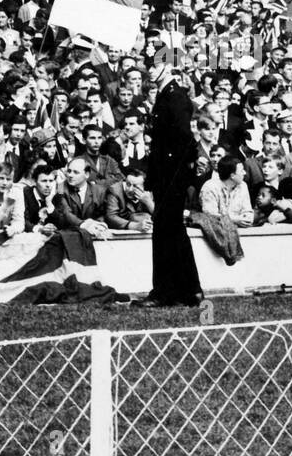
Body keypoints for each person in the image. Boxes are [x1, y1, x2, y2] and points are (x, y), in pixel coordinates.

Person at [144, 63, 201, 306]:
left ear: (167, 68)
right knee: (172, 231)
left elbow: (184, 137)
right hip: (166, 174)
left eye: (155, 65)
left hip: (171, 175)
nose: (149, 70)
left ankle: (166, 292)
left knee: (166, 231)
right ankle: (189, 290)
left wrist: (176, 169)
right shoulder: (167, 95)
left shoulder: (175, 96)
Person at [198, 155, 255, 227]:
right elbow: (211, 216)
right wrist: (235, 220)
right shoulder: (210, 187)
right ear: (232, 175)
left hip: (240, 229)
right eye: (241, 170)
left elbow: (248, 211)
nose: (244, 173)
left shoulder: (243, 186)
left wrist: (247, 218)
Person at [104, 163, 156, 233]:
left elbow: (164, 217)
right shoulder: (114, 190)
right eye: (128, 184)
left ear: (144, 187)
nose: (130, 189)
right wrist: (135, 226)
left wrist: (149, 203)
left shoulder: (150, 192)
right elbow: (111, 217)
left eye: (135, 186)